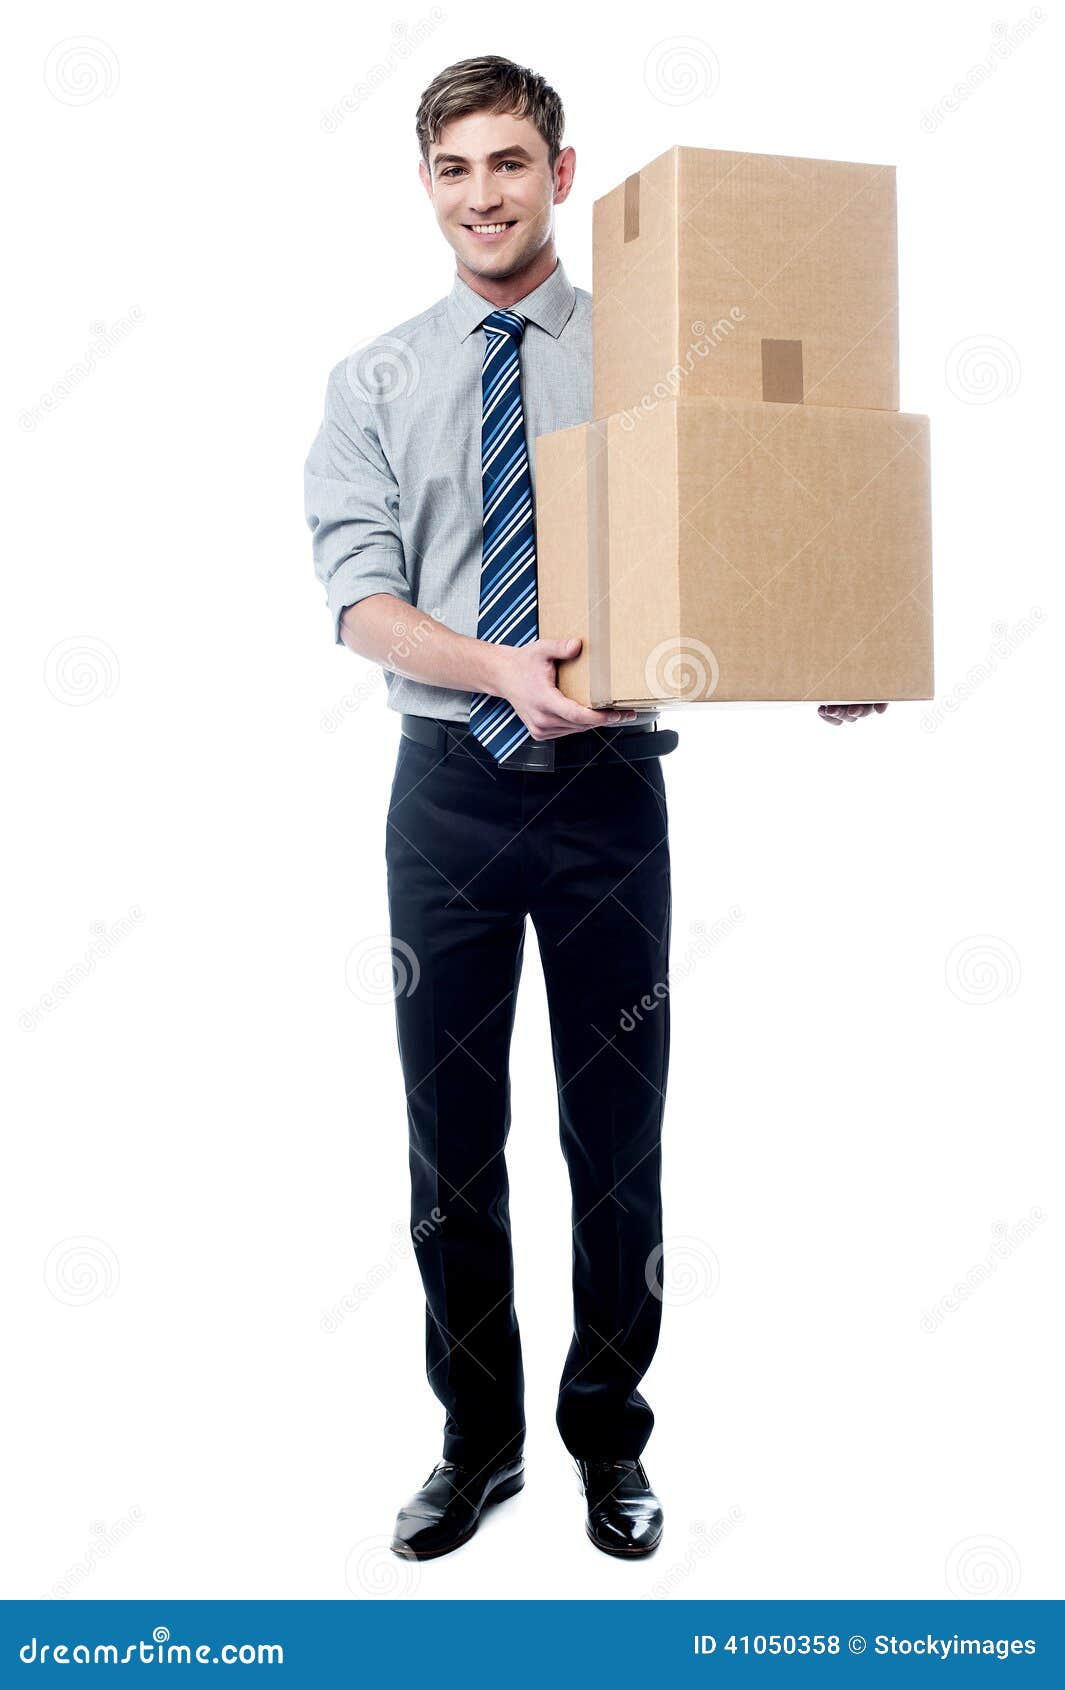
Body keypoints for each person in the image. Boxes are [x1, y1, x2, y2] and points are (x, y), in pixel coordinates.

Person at [304, 55, 884, 1564]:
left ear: (562, 174)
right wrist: (492, 660)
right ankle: (474, 1443)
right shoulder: (371, 380)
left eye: (509, 163)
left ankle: (607, 1443)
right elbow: (360, 602)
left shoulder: (648, 355)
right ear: (426, 185)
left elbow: (747, 520)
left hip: (611, 797)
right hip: (443, 797)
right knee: (453, 1140)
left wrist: (816, 636)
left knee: (617, 1139)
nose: (482, 194)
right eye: (454, 169)